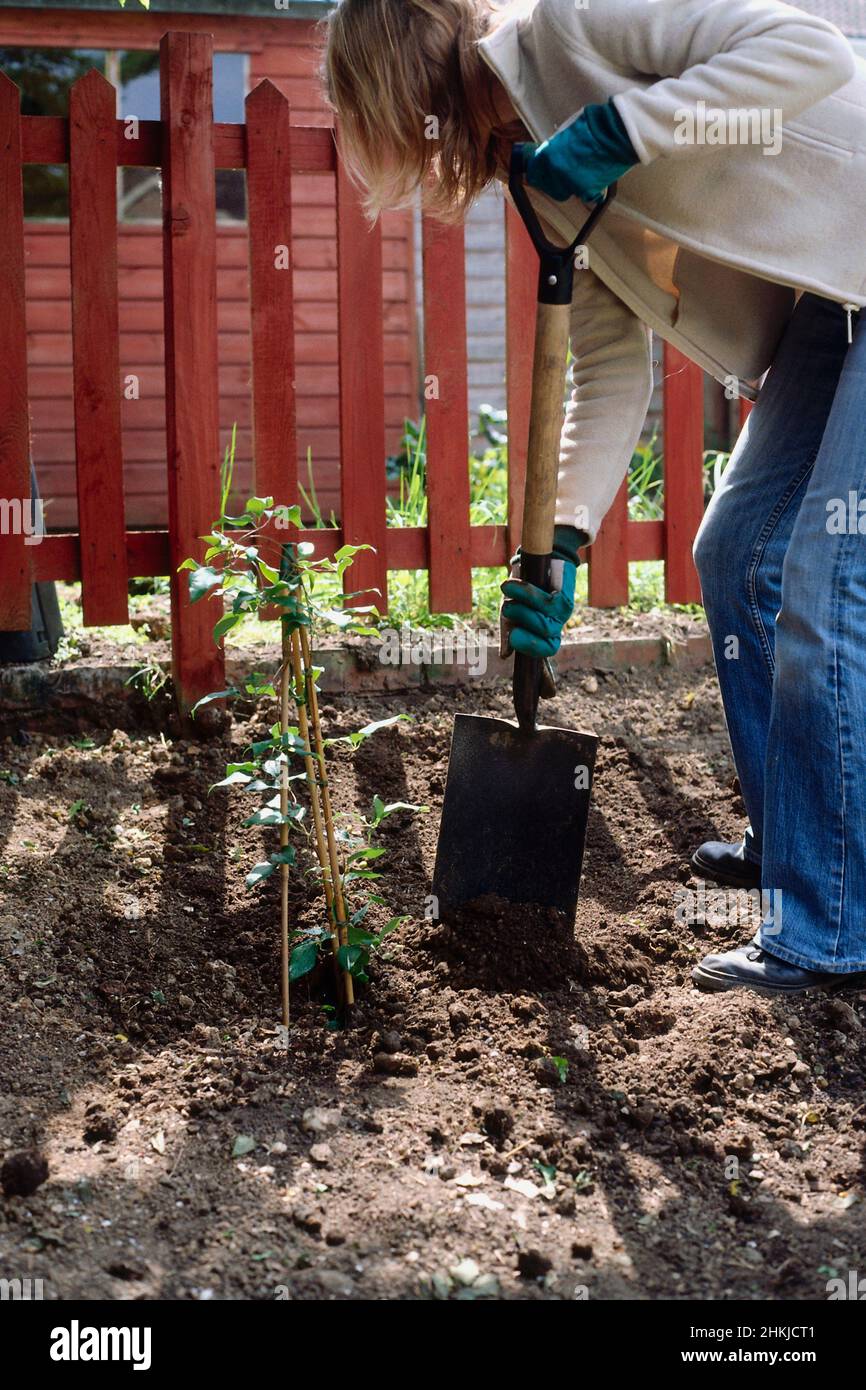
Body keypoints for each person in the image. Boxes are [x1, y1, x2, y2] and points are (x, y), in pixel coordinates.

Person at [324, 0, 866, 996]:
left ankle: (829, 923)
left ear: (413, 79)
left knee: (823, 579)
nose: (438, 163)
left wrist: (621, 129)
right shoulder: (539, 173)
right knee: (733, 546)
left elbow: (810, 50)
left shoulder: (576, 24)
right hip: (840, 298)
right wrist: (561, 542)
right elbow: (609, 367)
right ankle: (796, 839)